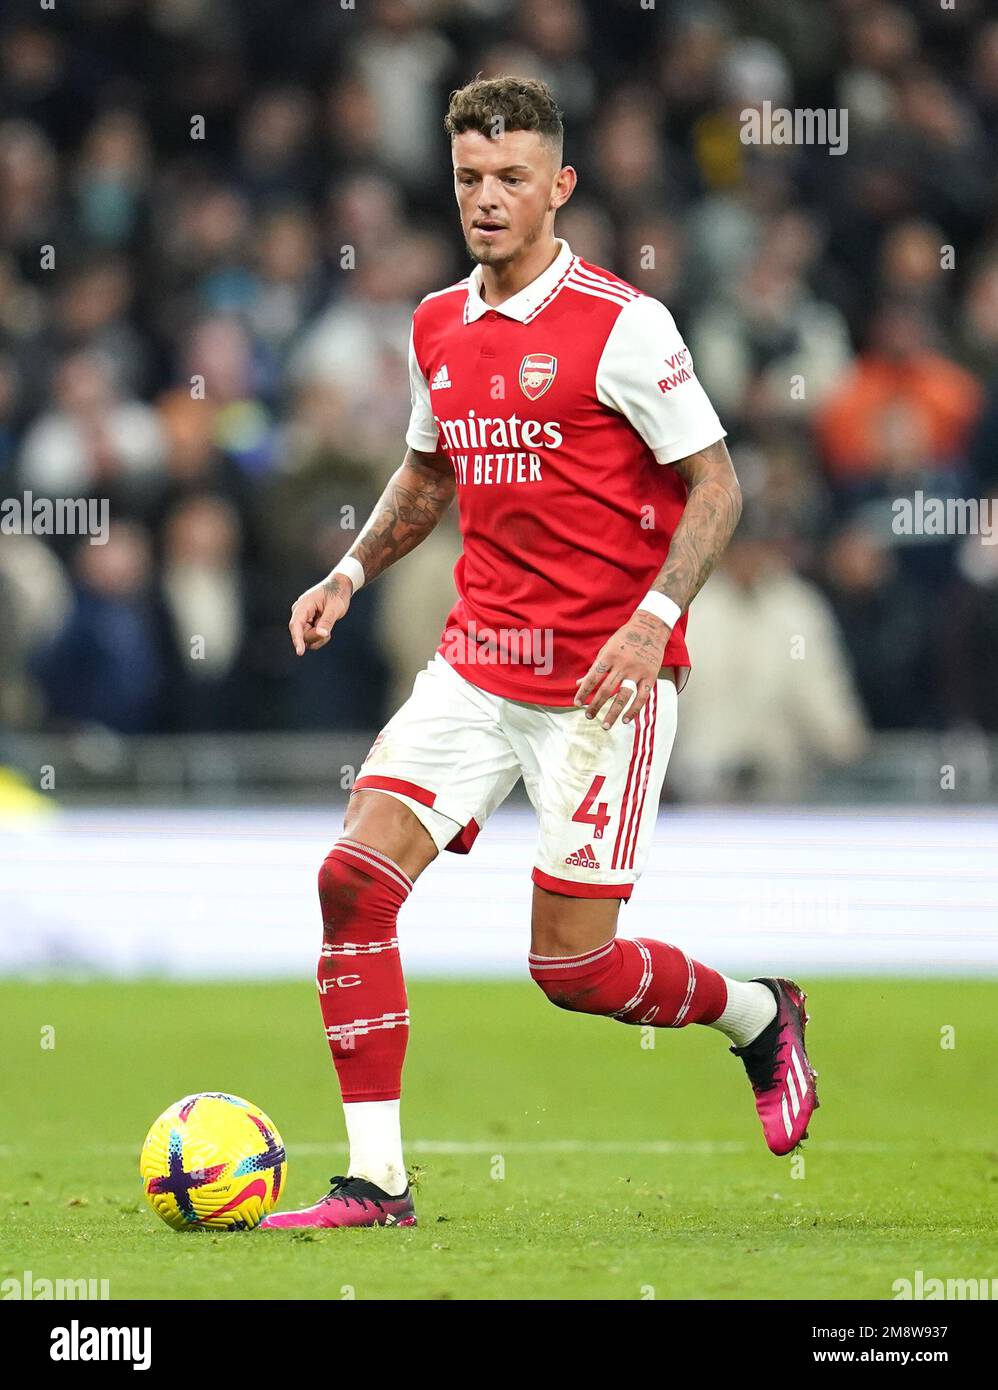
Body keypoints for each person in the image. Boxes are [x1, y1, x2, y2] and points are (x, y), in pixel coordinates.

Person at [262, 77, 818, 1232]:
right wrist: (349, 572)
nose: (486, 197)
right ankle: (375, 1183)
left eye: (512, 176)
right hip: (474, 661)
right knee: (350, 882)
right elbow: (426, 474)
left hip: (600, 686)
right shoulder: (434, 326)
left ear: (558, 186)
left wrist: (651, 620)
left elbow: (715, 483)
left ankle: (758, 1014)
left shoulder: (624, 325)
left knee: (572, 972)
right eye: (469, 176)